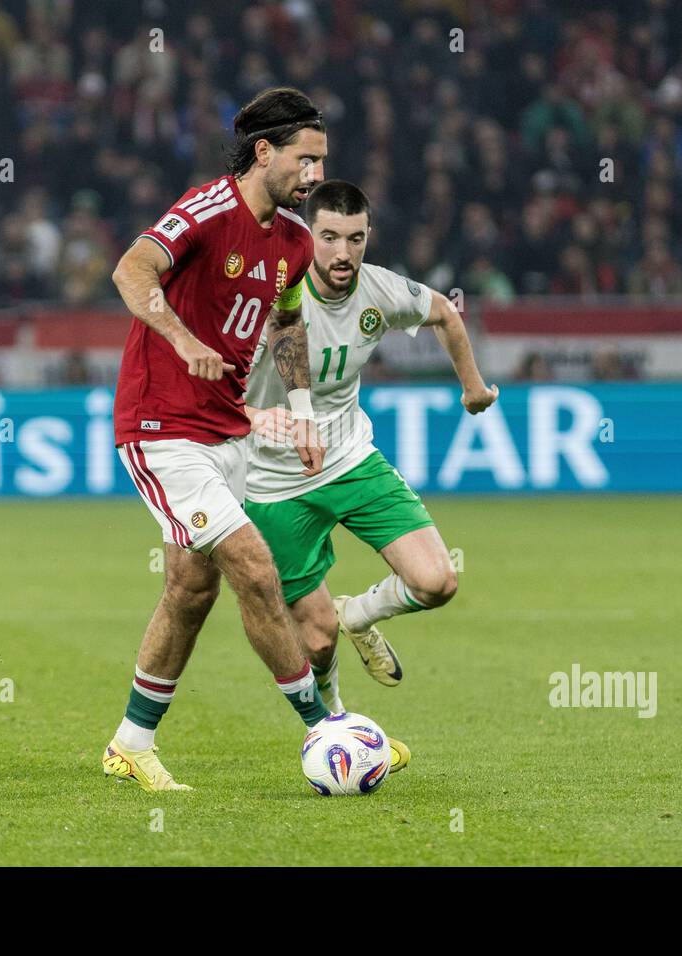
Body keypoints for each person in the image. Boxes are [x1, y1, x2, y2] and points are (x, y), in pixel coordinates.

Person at [102, 89, 409, 792]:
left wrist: (300, 411)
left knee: (190, 588)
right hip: (161, 425)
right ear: (264, 153)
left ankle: (130, 742)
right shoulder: (209, 209)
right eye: (306, 160)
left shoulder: (296, 243)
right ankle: (325, 730)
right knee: (252, 563)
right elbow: (130, 270)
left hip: (227, 430)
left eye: (322, 161)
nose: (313, 175)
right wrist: (182, 339)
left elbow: (288, 321)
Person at [242, 180, 498, 714]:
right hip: (273, 480)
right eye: (329, 237)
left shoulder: (380, 290)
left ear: (368, 236)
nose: (342, 253)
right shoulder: (272, 296)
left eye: (355, 239)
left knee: (437, 581)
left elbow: (446, 315)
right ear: (307, 234)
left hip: (352, 459)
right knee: (316, 640)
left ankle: (359, 613)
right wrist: (250, 416)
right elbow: (212, 385)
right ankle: (335, 721)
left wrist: (472, 388)